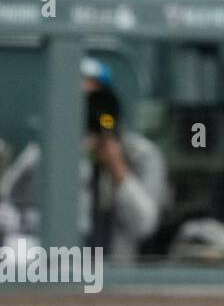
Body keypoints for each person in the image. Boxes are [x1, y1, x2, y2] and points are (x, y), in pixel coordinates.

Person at [0, 58, 168, 264]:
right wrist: (65, 155)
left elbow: (144, 225)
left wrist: (117, 166)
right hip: (59, 270)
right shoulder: (45, 152)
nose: (89, 112)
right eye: (78, 103)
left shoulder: (142, 155)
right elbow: (11, 202)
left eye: (94, 101)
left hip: (118, 276)